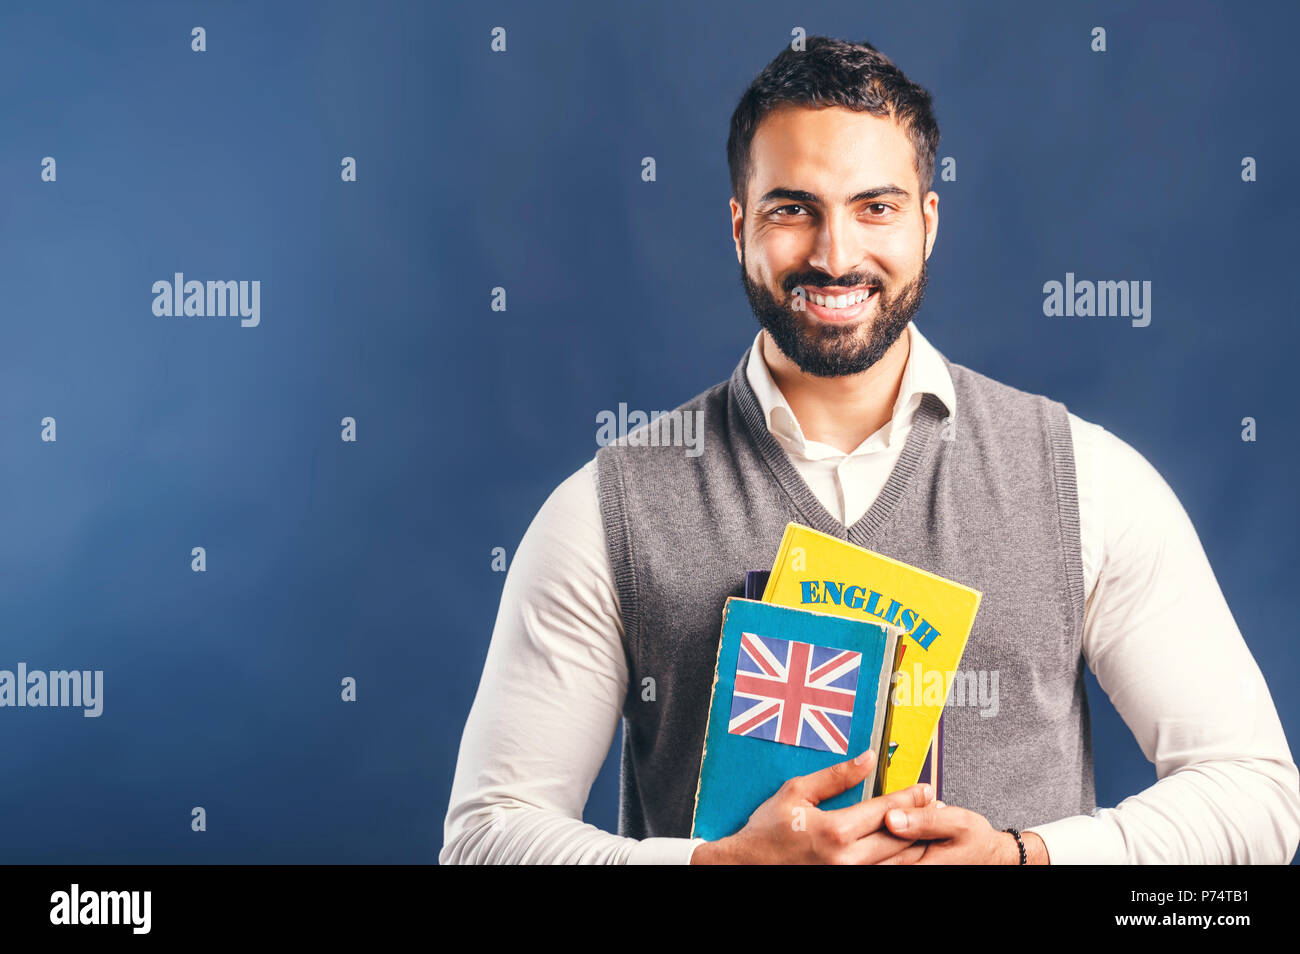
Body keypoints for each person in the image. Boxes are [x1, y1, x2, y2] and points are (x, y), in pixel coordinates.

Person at [441, 36, 1300, 864]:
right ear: (738, 225)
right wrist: (713, 870)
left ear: (928, 222)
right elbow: (487, 837)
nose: (836, 254)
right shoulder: (606, 510)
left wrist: (1024, 858)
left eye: (875, 207)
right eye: (792, 210)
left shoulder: (1087, 480)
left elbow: (1257, 796)